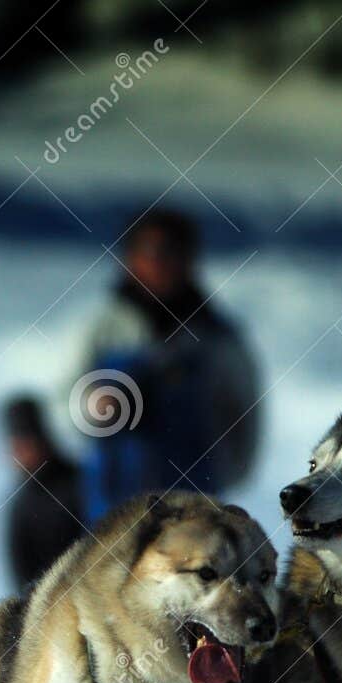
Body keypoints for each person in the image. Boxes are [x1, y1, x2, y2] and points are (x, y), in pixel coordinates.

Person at [69, 207, 260, 521]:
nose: (159, 262)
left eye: (171, 252)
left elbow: (244, 416)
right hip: (115, 504)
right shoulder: (102, 328)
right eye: (149, 252)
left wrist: (227, 473)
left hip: (194, 506)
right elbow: (64, 404)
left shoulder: (216, 336)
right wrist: (97, 408)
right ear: (129, 259)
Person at [0, 395, 82, 590]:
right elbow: (21, 578)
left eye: (25, 443)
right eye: (15, 446)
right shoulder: (20, 507)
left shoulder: (80, 482)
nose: (20, 453)